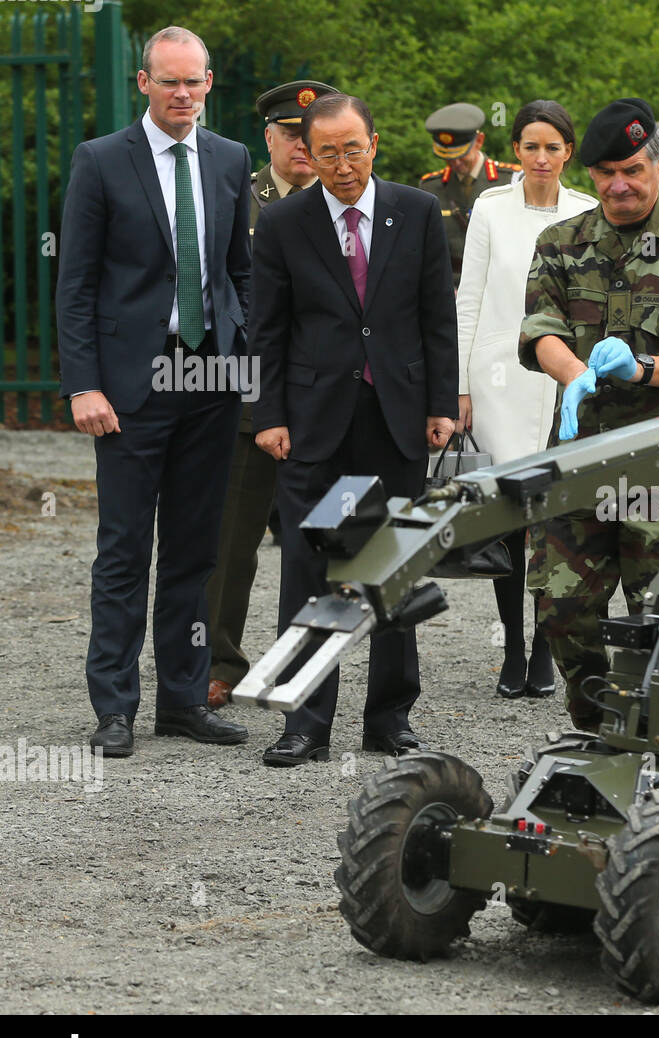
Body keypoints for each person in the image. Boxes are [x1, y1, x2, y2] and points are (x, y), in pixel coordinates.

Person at [55, 25, 252, 757]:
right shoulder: (102, 161)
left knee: (197, 551)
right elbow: (75, 284)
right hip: (131, 383)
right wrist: (84, 385)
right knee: (124, 549)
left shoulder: (231, 158)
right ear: (143, 83)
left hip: (212, 376)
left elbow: (242, 271)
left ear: (207, 84)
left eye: (193, 81)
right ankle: (114, 707)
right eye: (168, 81)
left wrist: (246, 348)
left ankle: (182, 699)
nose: (182, 93)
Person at [250, 93, 458, 765]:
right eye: (328, 152)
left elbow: (437, 316)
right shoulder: (284, 223)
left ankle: (390, 718)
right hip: (314, 425)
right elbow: (267, 330)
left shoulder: (418, 212)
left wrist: (440, 405)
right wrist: (269, 416)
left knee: (391, 565)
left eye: (354, 149)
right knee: (311, 567)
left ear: (375, 144)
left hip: (395, 417)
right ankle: (304, 721)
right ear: (307, 153)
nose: (343, 165)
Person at [519, 97, 659, 731]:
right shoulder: (561, 241)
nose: (618, 185)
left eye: (632, 170)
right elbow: (540, 331)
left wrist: (645, 371)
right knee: (561, 606)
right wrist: (577, 374)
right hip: (580, 454)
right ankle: (596, 721)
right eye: (605, 172)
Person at [456, 100, 597, 699]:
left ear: (569, 152)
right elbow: (468, 297)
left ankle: (546, 646)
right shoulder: (490, 210)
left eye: (553, 147)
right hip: (500, 382)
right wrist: (459, 386)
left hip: (565, 377)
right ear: (515, 150)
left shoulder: (588, 211)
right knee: (513, 518)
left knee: (555, 519)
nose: (542, 157)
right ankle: (513, 645)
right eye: (531, 146)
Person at [205, 78, 338, 711]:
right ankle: (216, 661)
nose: (302, 148)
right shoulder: (238, 197)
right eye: (290, 135)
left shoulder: (348, 202)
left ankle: (304, 667)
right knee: (230, 540)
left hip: (328, 399)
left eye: (310, 136)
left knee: (322, 542)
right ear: (271, 138)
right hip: (250, 396)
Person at [418, 102, 520, 285]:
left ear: (479, 141)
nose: (455, 163)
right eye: (447, 157)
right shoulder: (430, 187)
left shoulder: (511, 180)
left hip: (496, 285)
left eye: (460, 155)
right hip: (448, 288)